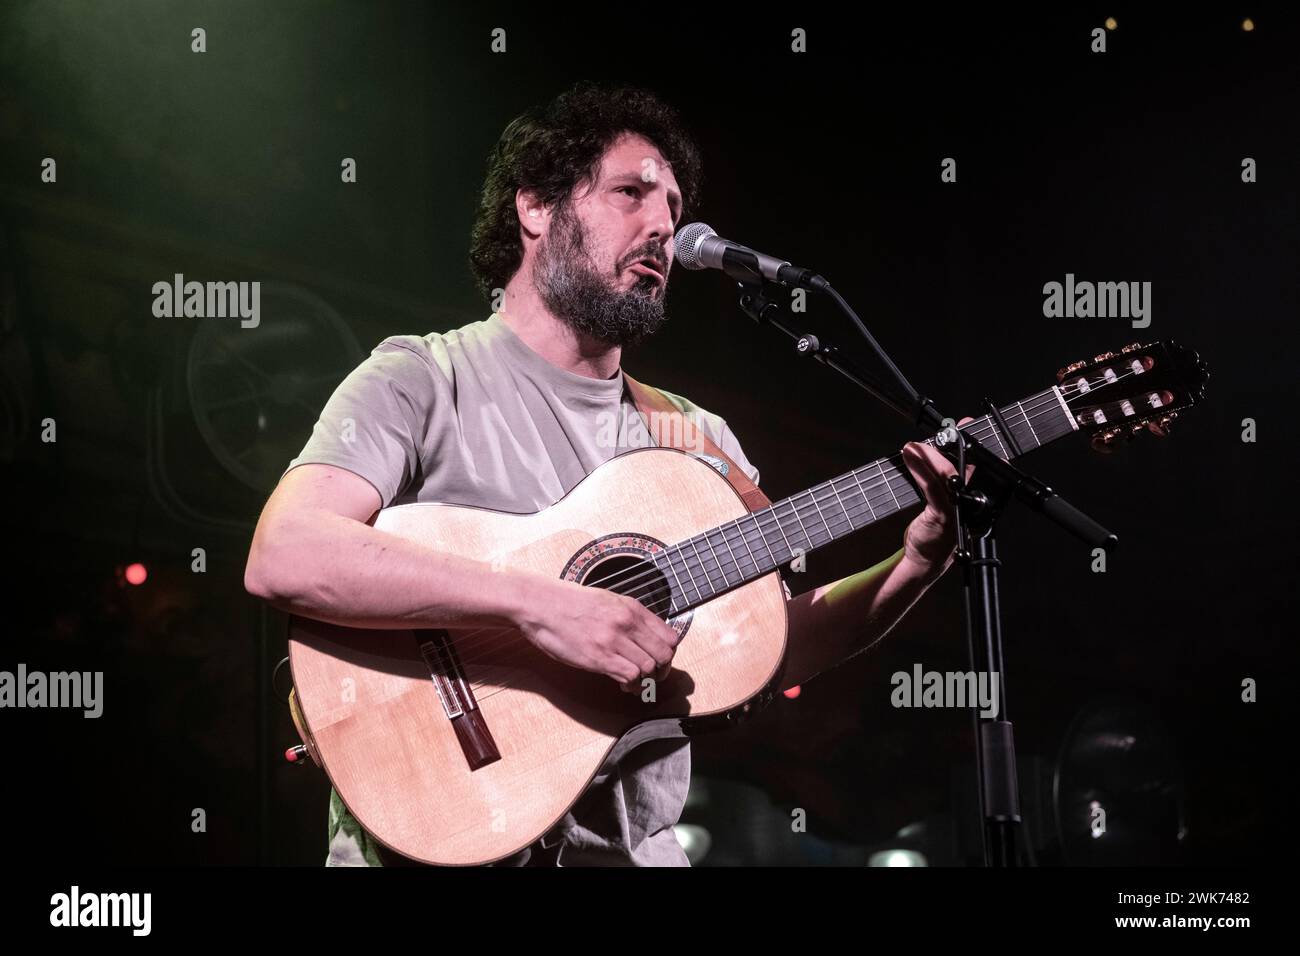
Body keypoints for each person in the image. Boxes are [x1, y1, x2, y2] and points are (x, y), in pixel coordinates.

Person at [244, 81, 963, 867]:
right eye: (631, 194)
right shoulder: (420, 378)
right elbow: (287, 554)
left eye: (674, 210)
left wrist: (915, 565)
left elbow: (772, 646)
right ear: (537, 209)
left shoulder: (700, 443)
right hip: (430, 839)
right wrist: (538, 605)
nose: (662, 227)